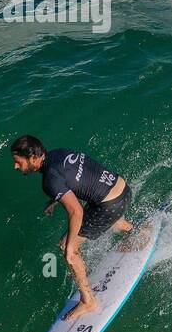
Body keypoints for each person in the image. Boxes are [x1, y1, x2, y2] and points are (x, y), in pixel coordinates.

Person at [10, 135, 133, 320]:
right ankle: (134, 231)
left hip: (109, 206)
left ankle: (88, 301)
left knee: (67, 246)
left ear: (33, 158)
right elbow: (75, 177)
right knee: (98, 210)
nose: (16, 166)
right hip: (122, 191)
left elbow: (76, 212)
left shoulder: (49, 181)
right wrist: (56, 199)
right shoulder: (59, 153)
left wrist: (69, 246)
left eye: (18, 162)